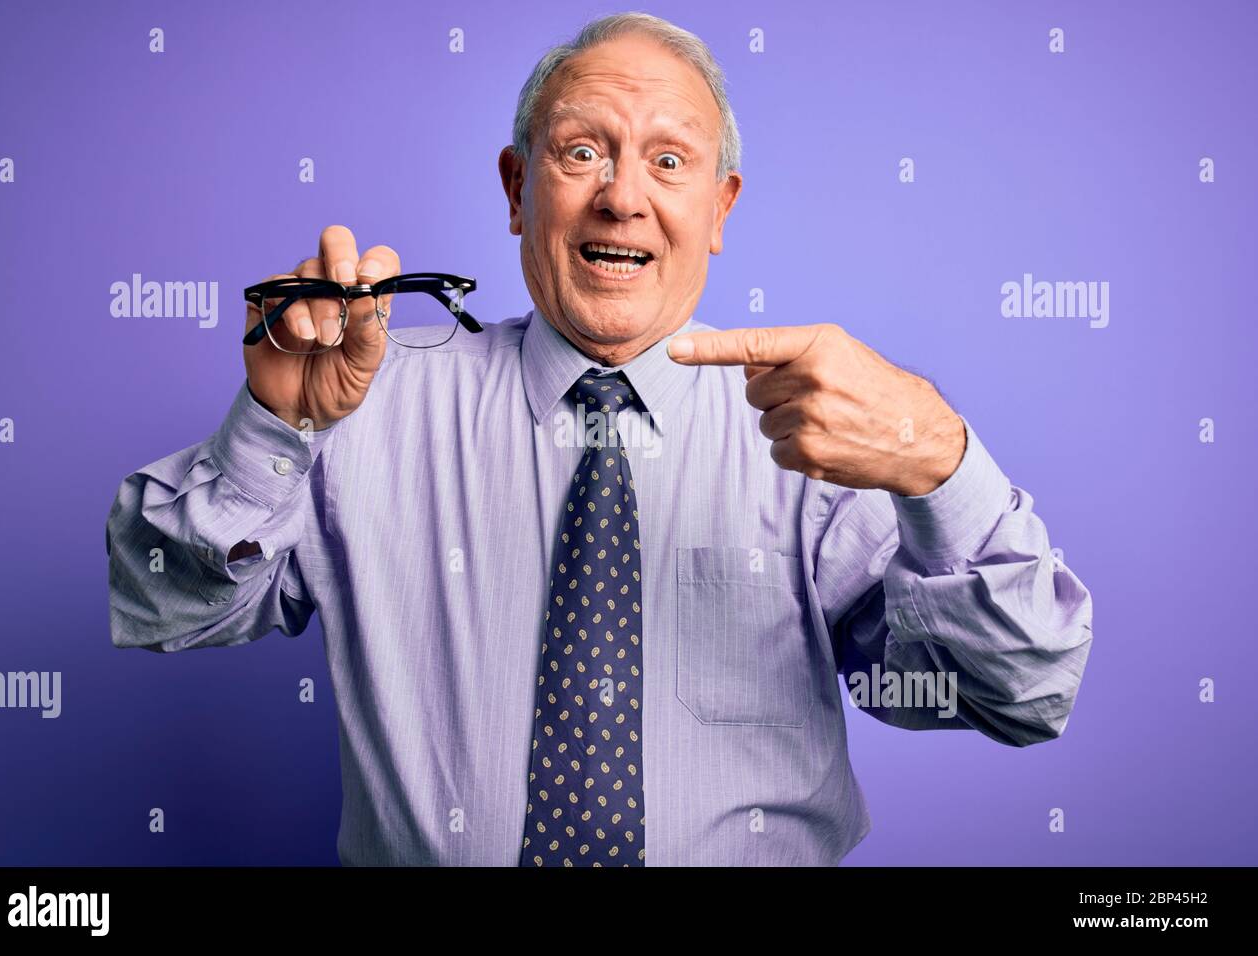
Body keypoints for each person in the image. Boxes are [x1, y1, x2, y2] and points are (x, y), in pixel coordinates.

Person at [106, 12, 1093, 866]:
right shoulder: (365, 405)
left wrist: (937, 459)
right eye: (582, 151)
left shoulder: (817, 434)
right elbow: (161, 606)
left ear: (719, 209)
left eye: (669, 160)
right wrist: (275, 426)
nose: (623, 195)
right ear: (515, 187)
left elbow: (1020, 690)